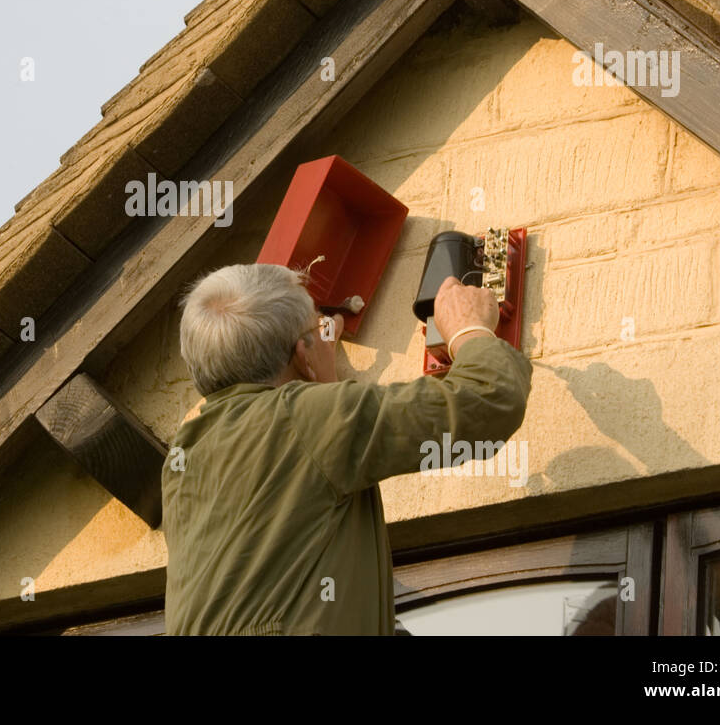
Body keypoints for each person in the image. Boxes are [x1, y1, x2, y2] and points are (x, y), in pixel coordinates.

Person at [161, 262, 532, 635]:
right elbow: (489, 398)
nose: (329, 335)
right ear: (302, 356)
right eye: (318, 326)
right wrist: (469, 328)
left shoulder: (185, 457)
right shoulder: (306, 419)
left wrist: (316, 358)